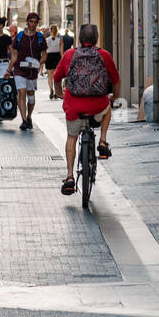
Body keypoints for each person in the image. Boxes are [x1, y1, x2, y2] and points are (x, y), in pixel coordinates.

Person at [52, 23, 119, 196]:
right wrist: (114, 97)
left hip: (74, 107)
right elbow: (116, 80)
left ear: (79, 39)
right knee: (107, 108)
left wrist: (60, 93)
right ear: (96, 39)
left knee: (72, 137)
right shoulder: (104, 55)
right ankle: (103, 141)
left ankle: (69, 177)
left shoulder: (69, 55)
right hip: (98, 106)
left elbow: (56, 77)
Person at [8, 11, 47, 131]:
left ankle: (29, 117)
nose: (33, 24)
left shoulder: (40, 38)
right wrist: (9, 70)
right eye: (31, 21)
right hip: (19, 69)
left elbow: (44, 55)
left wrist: (38, 63)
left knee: (31, 97)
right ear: (27, 22)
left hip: (32, 72)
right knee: (22, 92)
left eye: (35, 22)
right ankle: (24, 120)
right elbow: (14, 54)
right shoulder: (20, 36)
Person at [45, 24, 63, 98]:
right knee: (57, 76)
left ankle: (51, 89)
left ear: (50, 31)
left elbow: (45, 51)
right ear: (57, 31)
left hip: (49, 57)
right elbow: (62, 53)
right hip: (57, 57)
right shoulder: (60, 40)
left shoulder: (46, 40)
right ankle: (56, 91)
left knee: (50, 76)